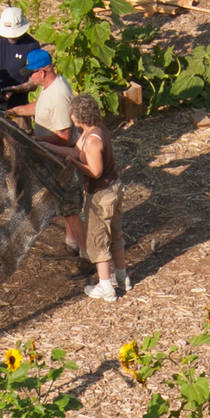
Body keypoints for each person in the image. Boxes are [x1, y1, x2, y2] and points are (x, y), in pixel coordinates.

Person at [53, 89, 128, 303]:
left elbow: (94, 171)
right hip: (115, 188)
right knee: (115, 235)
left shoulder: (93, 140)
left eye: (72, 114)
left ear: (80, 116)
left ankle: (106, 288)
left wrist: (74, 164)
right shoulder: (95, 129)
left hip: (102, 195)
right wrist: (44, 146)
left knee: (97, 240)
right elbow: (75, 151)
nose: (70, 117)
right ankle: (122, 278)